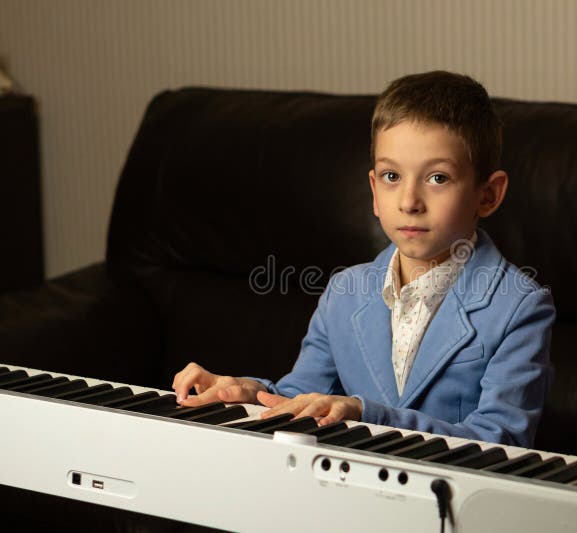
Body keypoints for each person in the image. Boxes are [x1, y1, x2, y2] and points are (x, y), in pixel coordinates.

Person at [172, 71, 555, 447]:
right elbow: (300, 396)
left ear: (487, 195)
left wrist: (366, 414)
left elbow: (501, 440)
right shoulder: (344, 293)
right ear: (373, 190)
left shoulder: (519, 307)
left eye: (437, 178)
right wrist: (245, 391)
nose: (408, 202)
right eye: (392, 176)